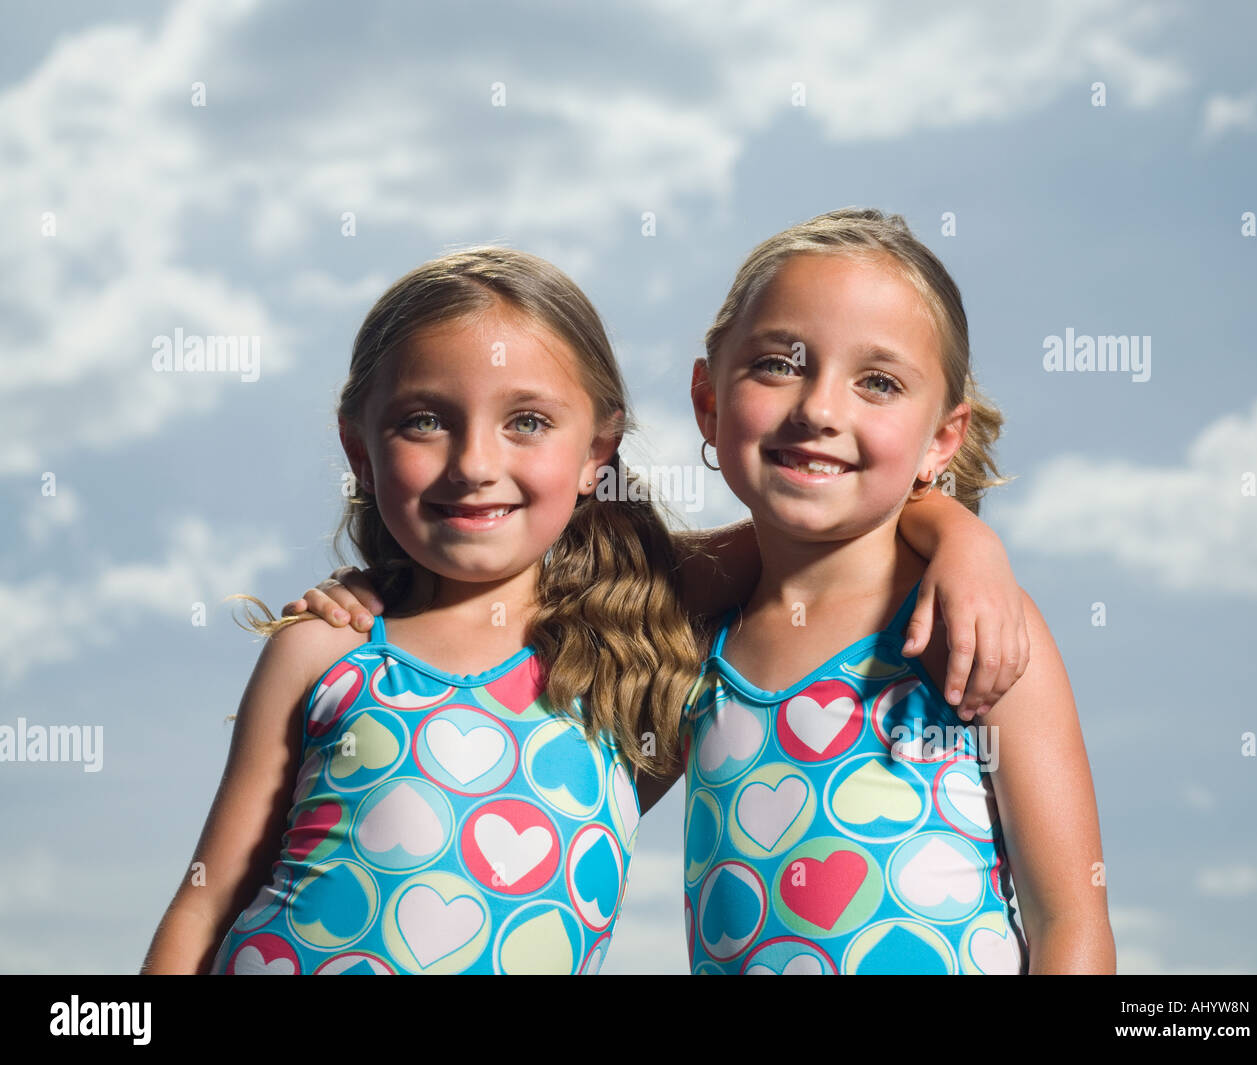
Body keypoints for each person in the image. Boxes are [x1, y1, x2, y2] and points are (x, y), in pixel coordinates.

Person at [141, 247, 706, 974]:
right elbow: (204, 901)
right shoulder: (324, 646)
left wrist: (912, 516)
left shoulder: (634, 663)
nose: (473, 463)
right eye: (425, 421)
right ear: (360, 450)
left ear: (598, 449)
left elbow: (819, 552)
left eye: (528, 421)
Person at [674, 207, 1114, 973]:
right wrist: (390, 593)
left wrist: (956, 533)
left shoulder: (971, 622)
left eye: (876, 381)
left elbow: (1069, 917)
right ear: (709, 402)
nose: (818, 409)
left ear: (941, 439)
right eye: (780, 363)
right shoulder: (698, 628)